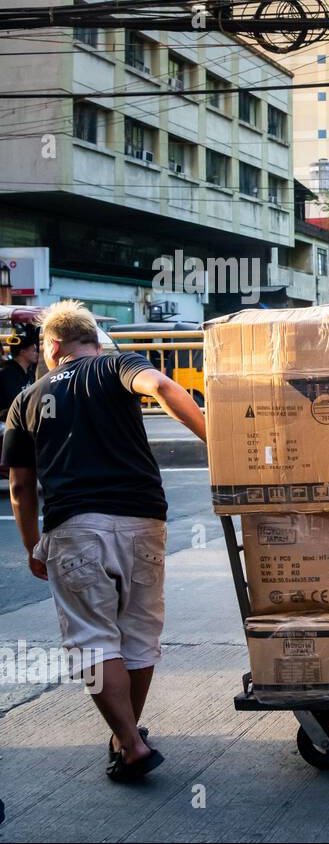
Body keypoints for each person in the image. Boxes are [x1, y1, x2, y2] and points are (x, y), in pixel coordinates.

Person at [2, 301, 206, 783]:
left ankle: (131, 744)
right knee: (137, 636)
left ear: (52, 346)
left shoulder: (27, 398)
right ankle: (126, 737)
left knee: (94, 641)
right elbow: (160, 386)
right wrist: (213, 439)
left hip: (74, 527)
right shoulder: (119, 365)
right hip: (143, 520)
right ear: (95, 339)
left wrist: (33, 545)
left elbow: (19, 485)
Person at [0, 329, 38, 420]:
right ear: (23, 352)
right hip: (8, 422)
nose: (36, 354)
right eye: (33, 351)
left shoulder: (29, 372)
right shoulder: (6, 375)